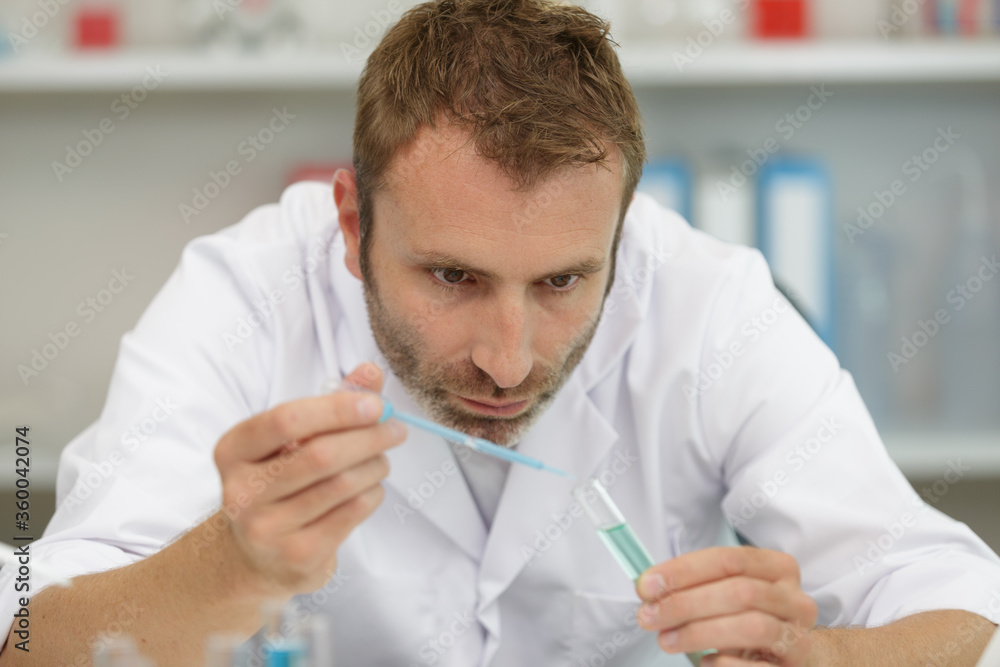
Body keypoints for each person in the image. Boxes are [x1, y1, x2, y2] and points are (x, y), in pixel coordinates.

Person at [2, 0, 999, 665]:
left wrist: (833, 653)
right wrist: (228, 565)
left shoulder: (711, 305)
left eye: (564, 279)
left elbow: (960, 599)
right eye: (452, 276)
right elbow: (30, 631)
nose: (509, 359)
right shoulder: (243, 298)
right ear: (352, 222)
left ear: (621, 232)